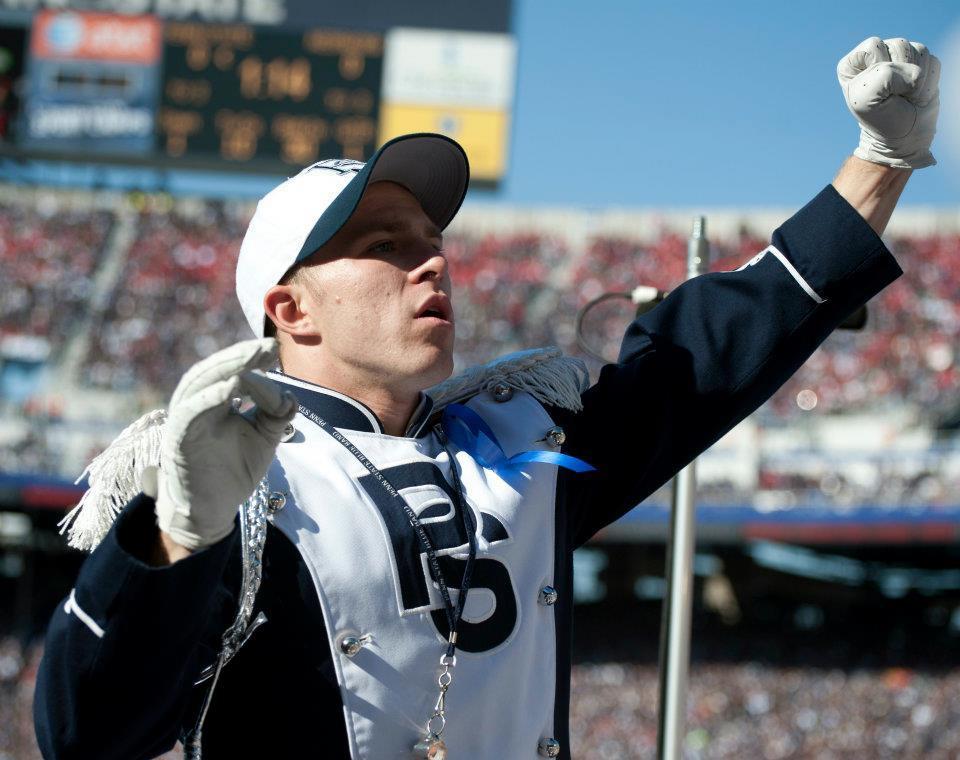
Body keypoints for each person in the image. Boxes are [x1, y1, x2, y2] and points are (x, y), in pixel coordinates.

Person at [35, 36, 939, 759]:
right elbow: (84, 737)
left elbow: (708, 350)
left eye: (432, 241)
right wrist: (175, 535)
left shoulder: (522, 436)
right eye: (385, 245)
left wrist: (881, 161)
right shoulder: (221, 480)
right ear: (290, 309)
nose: (432, 262)